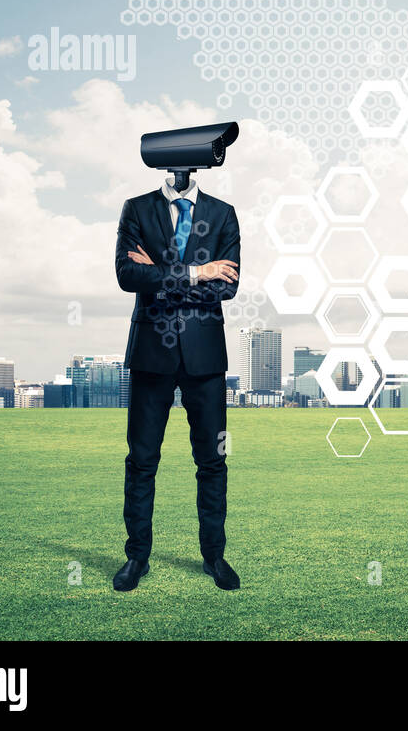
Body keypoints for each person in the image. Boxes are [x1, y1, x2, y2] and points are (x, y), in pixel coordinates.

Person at [111, 174, 241, 591]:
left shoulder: (223, 214)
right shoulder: (137, 208)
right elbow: (128, 276)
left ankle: (214, 557)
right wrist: (196, 272)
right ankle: (136, 558)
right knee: (142, 460)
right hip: (152, 353)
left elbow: (227, 288)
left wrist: (163, 277)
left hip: (204, 357)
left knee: (212, 461)